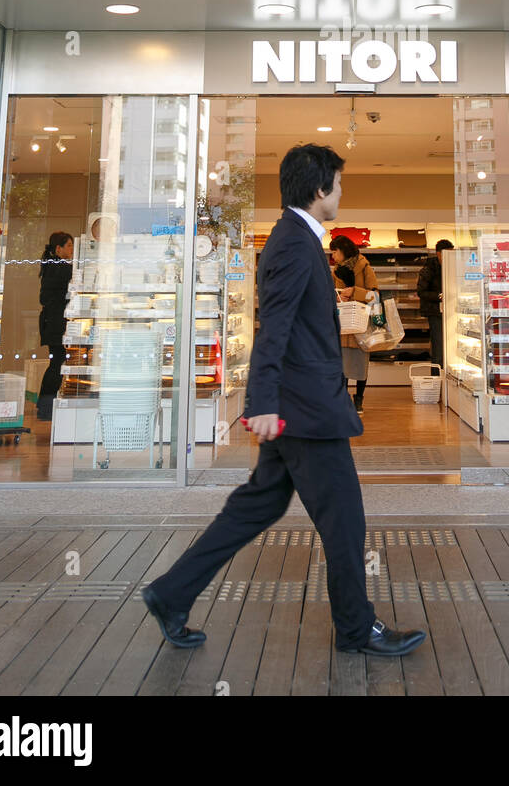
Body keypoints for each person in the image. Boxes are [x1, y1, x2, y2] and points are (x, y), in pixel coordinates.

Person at [142, 143, 426, 659]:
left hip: (296, 405)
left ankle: (171, 593)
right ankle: (358, 630)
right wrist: (263, 402)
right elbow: (273, 326)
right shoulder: (295, 244)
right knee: (344, 521)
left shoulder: (294, 238)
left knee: (256, 507)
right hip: (305, 411)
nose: (341, 193)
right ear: (320, 190)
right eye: (338, 184)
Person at [331, 234, 378, 415]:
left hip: (360, 324)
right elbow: (330, 294)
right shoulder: (336, 271)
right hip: (343, 324)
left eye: (335, 251)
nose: (333, 255)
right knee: (342, 366)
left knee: (360, 365)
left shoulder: (365, 267)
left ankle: (359, 400)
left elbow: (374, 296)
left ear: (343, 250)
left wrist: (354, 292)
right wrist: (338, 296)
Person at [36, 231, 74, 421]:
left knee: (56, 362)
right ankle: (45, 407)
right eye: (68, 246)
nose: (72, 249)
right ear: (58, 249)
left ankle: (44, 405)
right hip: (55, 322)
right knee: (57, 363)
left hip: (51, 321)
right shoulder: (61, 268)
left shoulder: (51, 266)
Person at [416, 239, 453, 368]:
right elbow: (421, 291)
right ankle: (437, 382)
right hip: (435, 312)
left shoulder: (451, 267)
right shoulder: (429, 268)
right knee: (438, 349)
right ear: (438, 254)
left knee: (451, 348)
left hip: (451, 312)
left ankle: (446, 379)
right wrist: (440, 296)